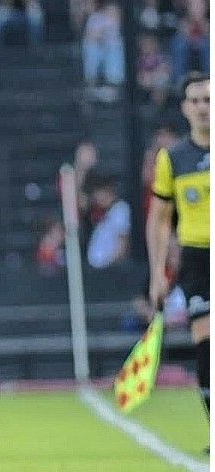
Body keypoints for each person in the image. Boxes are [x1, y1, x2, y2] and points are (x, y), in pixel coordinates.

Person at [148, 72, 210, 428]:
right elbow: (159, 219)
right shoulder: (173, 159)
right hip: (197, 258)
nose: (203, 108)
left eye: (208, 100)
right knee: (205, 345)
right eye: (196, 101)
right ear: (185, 109)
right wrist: (158, 272)